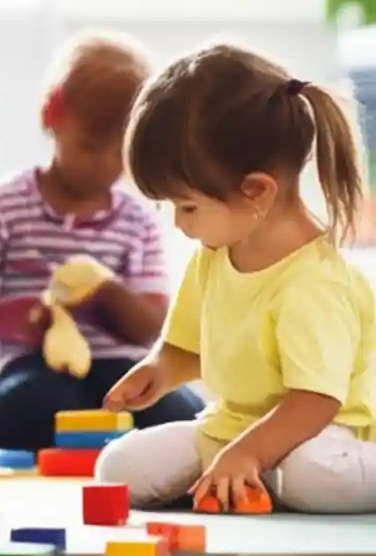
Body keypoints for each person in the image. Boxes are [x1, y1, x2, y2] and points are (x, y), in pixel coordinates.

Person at [0, 32, 204, 449]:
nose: (104, 167)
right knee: (38, 403)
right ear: (53, 118)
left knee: (174, 411)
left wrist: (108, 293)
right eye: (89, 148)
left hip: (121, 365)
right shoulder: (7, 205)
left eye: (119, 155)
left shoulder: (135, 219)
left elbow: (151, 325)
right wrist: (16, 317)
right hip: (38, 365)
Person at [96, 43, 376, 513]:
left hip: (320, 435)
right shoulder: (213, 256)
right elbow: (185, 349)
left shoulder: (314, 284)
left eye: (186, 206)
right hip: (229, 428)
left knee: (313, 477)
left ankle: (259, 474)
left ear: (256, 191)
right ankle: (251, 479)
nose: (178, 225)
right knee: (119, 467)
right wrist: (158, 372)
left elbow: (315, 402)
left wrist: (249, 452)